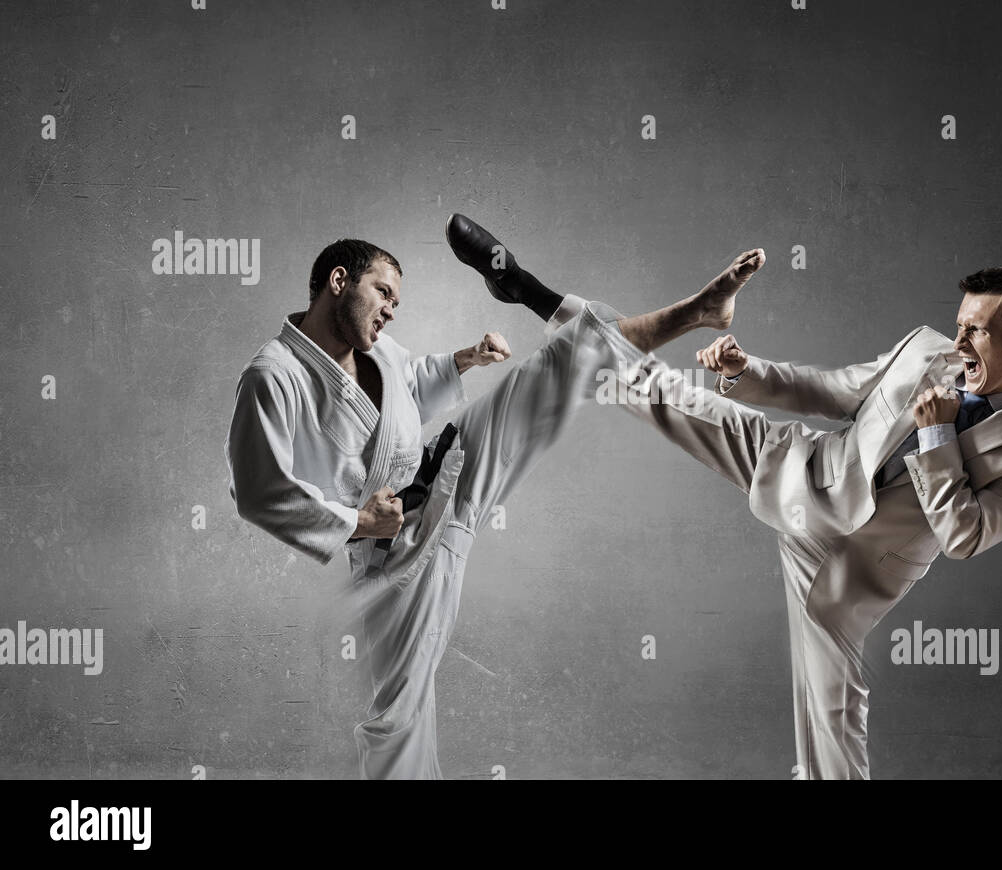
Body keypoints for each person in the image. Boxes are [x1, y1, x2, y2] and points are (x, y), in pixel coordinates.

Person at [460, 217, 1002, 780]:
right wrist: (744, 371)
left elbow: (964, 537)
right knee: (669, 395)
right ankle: (536, 294)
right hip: (805, 474)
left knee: (835, 719)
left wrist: (939, 435)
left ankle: (616, 311)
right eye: (960, 323)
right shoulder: (927, 349)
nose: (960, 343)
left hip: (853, 576)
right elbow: (836, 393)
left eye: (979, 333)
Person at [224, 219, 761, 779]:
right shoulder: (273, 375)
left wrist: (465, 359)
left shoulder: (376, 351)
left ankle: (696, 311)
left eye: (395, 303)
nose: (390, 311)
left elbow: (409, 384)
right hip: (392, 556)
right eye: (384, 293)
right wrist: (359, 520)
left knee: (559, 363)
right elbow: (259, 491)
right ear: (339, 280)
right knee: (400, 720)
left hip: (446, 472)